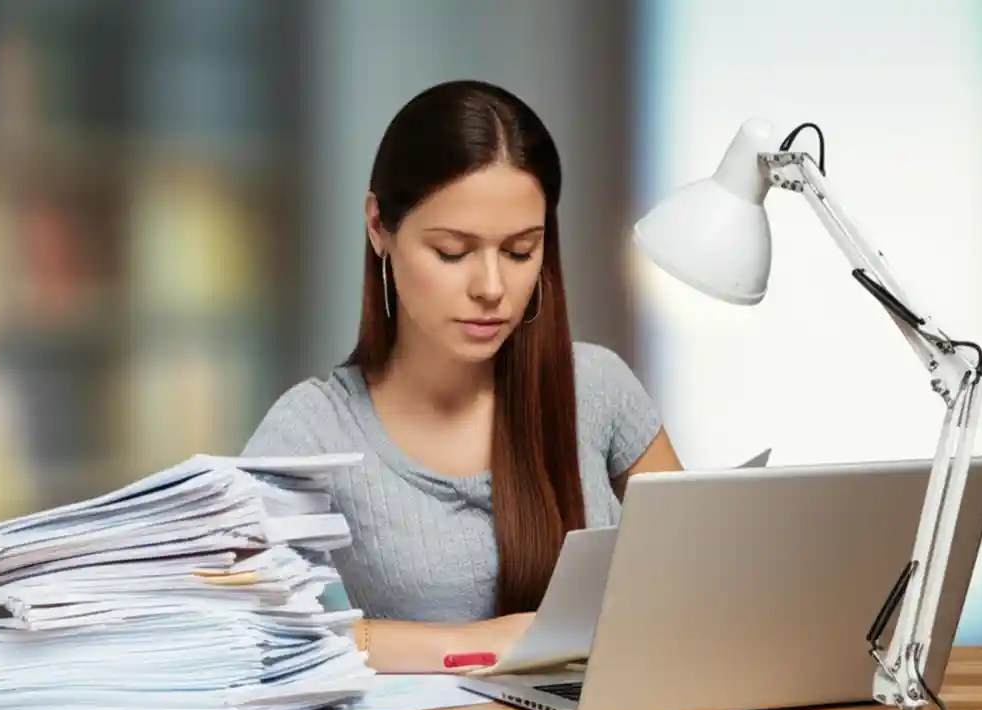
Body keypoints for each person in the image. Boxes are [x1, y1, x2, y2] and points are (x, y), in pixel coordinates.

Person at [241, 79, 682, 673]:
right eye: (452, 251)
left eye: (520, 252)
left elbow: (698, 578)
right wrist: (479, 643)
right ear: (379, 227)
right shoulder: (314, 429)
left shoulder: (597, 387)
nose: (492, 288)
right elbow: (240, 631)